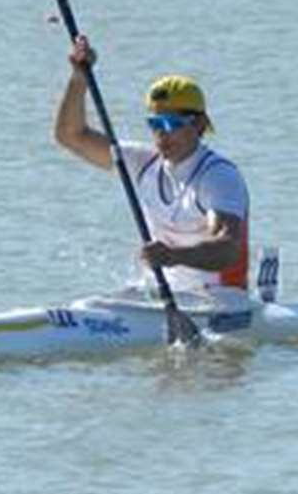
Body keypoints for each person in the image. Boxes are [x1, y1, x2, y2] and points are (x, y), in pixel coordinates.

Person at [55, 36, 250, 302]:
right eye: (155, 124)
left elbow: (228, 248)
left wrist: (173, 256)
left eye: (171, 124)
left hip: (220, 301)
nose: (161, 134)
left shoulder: (218, 177)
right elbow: (71, 135)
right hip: (164, 296)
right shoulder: (142, 163)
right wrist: (80, 78)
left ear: (199, 125)